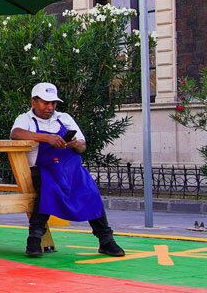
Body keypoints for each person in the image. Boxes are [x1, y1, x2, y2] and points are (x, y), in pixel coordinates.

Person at [11, 81, 124, 258]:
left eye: (53, 103)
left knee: (90, 191)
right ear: (34, 102)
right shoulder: (25, 119)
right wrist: (47, 138)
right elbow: (16, 134)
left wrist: (75, 143)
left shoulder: (64, 118)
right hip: (43, 168)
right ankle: (34, 238)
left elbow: (82, 146)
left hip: (70, 169)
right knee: (48, 189)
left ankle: (106, 240)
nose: (50, 107)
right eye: (45, 103)